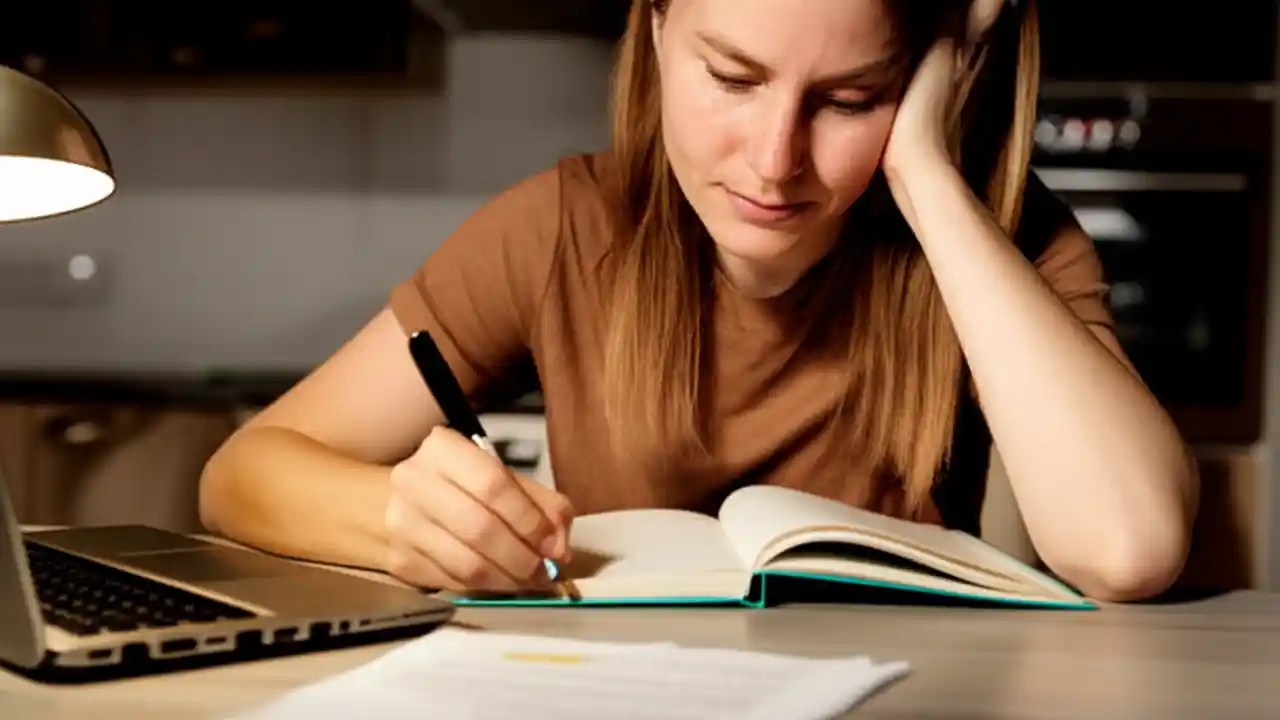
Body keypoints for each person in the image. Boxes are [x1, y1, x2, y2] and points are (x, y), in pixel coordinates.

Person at [198, 0, 1199, 603]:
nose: (773, 163)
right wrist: (393, 517)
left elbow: (1127, 547)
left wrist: (929, 175)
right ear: (656, 30)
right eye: (730, 77)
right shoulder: (562, 228)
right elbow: (242, 472)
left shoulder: (995, 244)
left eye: (850, 98)